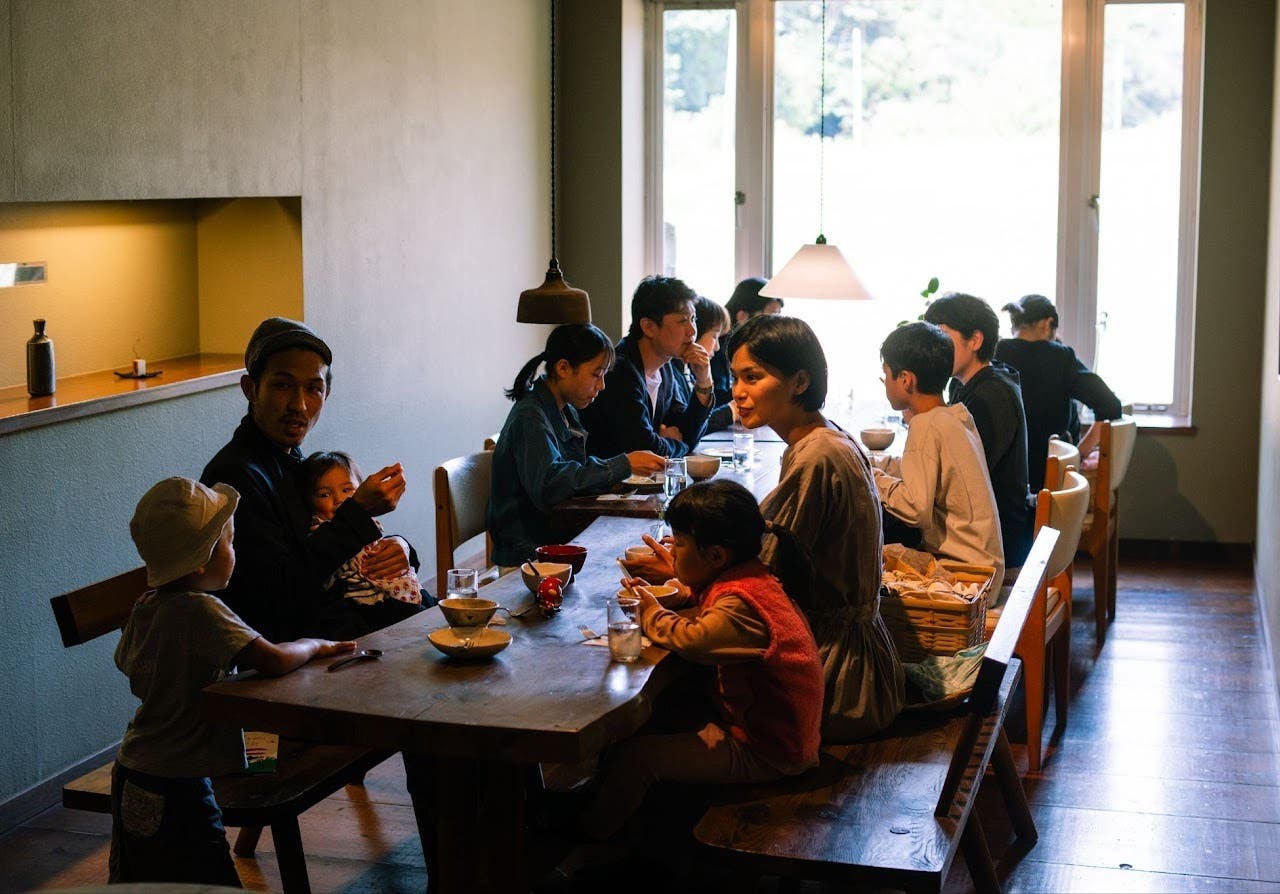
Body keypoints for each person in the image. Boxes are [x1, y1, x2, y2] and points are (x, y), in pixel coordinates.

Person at [627, 314, 904, 741]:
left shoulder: (815, 457)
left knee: (660, 709)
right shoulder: (823, 439)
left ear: (799, 382)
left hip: (834, 681)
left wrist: (683, 576)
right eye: (735, 377)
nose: (738, 392)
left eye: (753, 377)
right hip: (851, 660)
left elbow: (762, 578)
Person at [110, 477, 355, 886]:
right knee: (209, 878)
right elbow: (274, 660)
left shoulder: (147, 605)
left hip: (134, 766)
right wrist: (314, 644)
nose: (234, 552)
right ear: (203, 559)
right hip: (181, 779)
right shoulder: (200, 611)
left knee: (147, 881)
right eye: (230, 543)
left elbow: (127, 663)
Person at [575, 479, 822, 847]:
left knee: (640, 758)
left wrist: (648, 609)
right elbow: (708, 603)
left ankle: (589, 841)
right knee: (653, 716)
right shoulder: (751, 577)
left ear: (716, 557)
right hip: (764, 728)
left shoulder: (742, 605)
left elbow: (693, 640)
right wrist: (678, 576)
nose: (672, 551)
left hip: (770, 750)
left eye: (680, 544)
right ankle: (625, 820)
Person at [201, 317, 423, 644]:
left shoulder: (291, 460)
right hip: (298, 656)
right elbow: (279, 596)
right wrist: (358, 514)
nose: (299, 405)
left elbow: (330, 546)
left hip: (345, 632)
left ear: (326, 393)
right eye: (283, 385)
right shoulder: (235, 477)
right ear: (250, 388)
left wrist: (401, 549)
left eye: (313, 388)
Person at [488, 323, 665, 566]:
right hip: (528, 552)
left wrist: (612, 479)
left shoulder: (565, 409)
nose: (602, 385)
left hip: (555, 534)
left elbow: (574, 471)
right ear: (563, 368)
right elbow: (550, 486)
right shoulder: (530, 416)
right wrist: (622, 464)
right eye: (596, 374)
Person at [875, 322, 1006, 587]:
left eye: (886, 374)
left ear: (905, 379)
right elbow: (928, 470)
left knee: (869, 566)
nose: (885, 383)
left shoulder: (925, 425)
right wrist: (879, 464)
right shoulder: (956, 416)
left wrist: (872, 477)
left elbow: (915, 509)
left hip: (965, 578)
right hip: (987, 568)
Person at [924, 293, 1034, 567]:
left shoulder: (991, 396)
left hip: (994, 543)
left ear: (975, 340)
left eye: (941, 336)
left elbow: (960, 476)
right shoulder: (969, 384)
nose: (934, 349)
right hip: (986, 529)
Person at [995, 294, 1123, 489]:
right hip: (1051, 475)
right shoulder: (1061, 357)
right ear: (1048, 324)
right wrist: (1077, 456)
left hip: (1002, 476)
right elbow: (1110, 406)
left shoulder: (996, 352)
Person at [579, 276, 715, 458]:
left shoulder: (665, 368)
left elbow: (689, 433)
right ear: (649, 327)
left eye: (693, 319)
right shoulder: (619, 370)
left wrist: (704, 381)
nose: (692, 331)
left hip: (647, 482)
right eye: (682, 321)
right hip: (611, 485)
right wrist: (678, 444)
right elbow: (643, 447)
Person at [301, 451, 424, 607]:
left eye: (347, 490)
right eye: (325, 495)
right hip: (367, 606)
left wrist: (402, 546)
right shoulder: (320, 532)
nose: (339, 500)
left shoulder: (364, 521)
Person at [708, 277, 784, 411]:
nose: (775, 325)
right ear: (742, 316)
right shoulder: (716, 347)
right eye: (770, 317)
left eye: (777, 317)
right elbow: (717, 397)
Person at [672, 295, 735, 433]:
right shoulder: (670, 371)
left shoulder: (687, 369)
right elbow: (687, 429)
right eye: (714, 336)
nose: (717, 347)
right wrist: (732, 411)